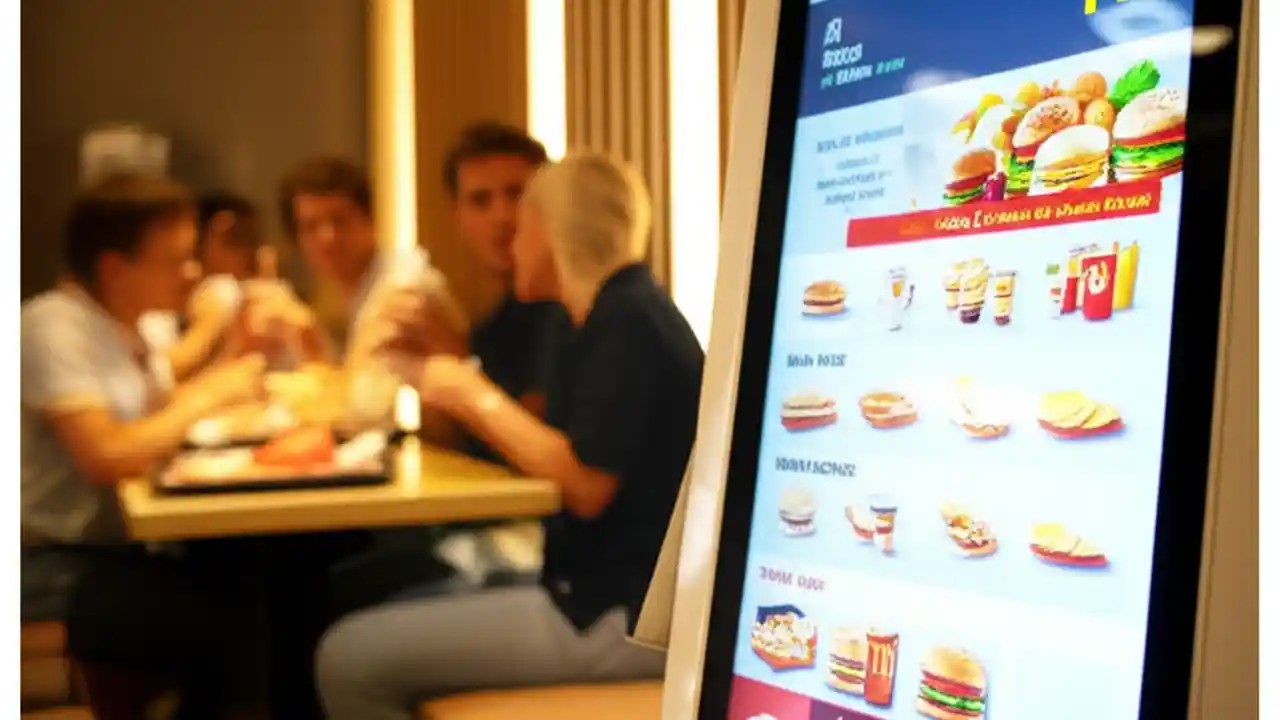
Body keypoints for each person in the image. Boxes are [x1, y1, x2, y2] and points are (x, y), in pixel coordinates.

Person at [315, 154, 703, 720]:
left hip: (621, 614)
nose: (513, 242)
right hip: (593, 588)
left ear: (548, 231)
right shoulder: (612, 312)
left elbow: (586, 484)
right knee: (389, 595)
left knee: (344, 657)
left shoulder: (629, 321)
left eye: (521, 225)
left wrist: (468, 392)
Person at [20, 173, 270, 718]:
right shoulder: (50, 328)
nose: (193, 273)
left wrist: (230, 362)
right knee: (243, 621)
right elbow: (107, 455)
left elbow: (161, 409)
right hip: (51, 564)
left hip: (126, 548)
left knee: (277, 578)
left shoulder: (131, 326)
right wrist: (204, 398)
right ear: (115, 268)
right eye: (177, 260)